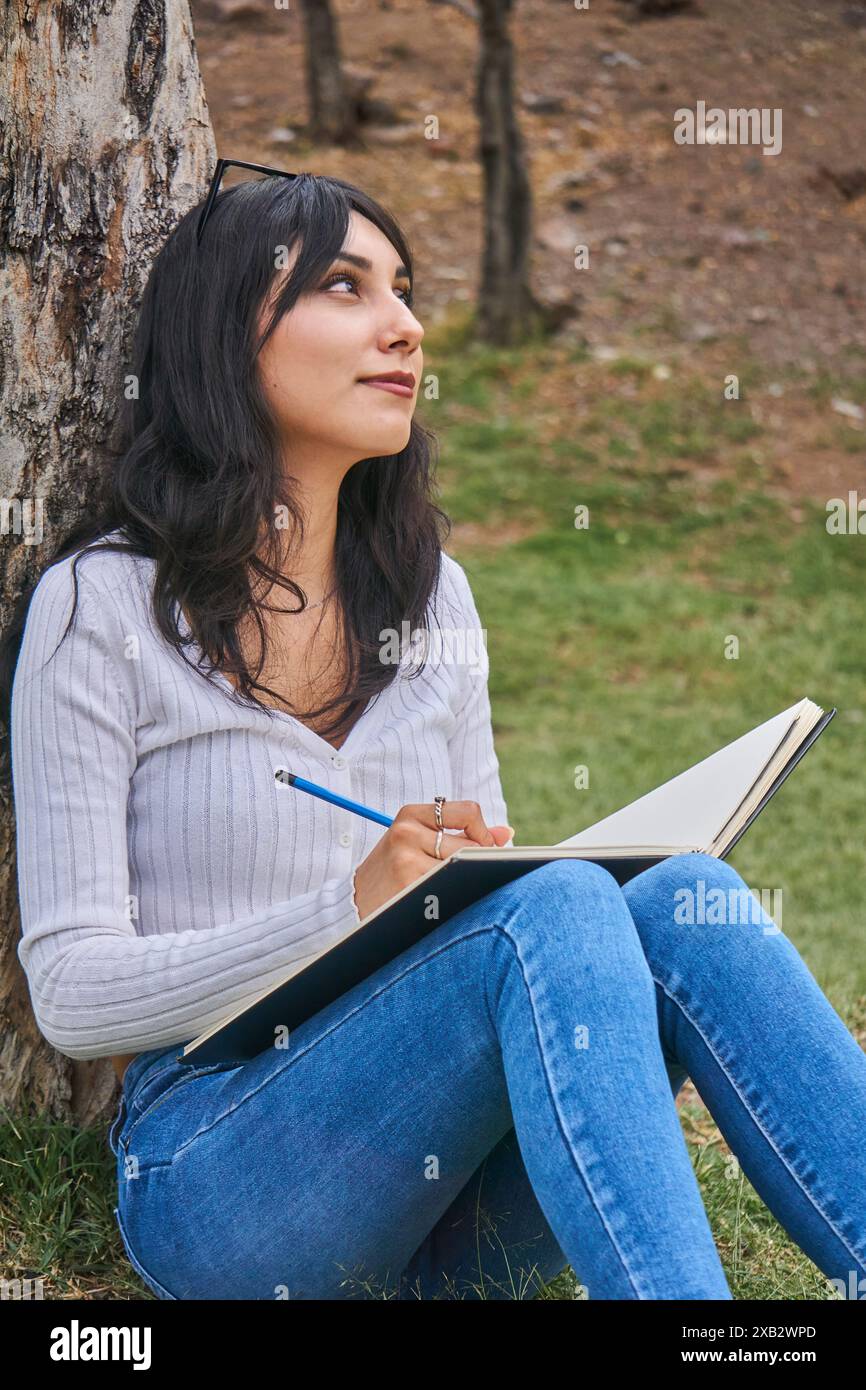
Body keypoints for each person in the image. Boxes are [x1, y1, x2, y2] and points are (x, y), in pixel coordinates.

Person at [2, 170, 865, 1301]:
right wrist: (354, 907)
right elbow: (70, 994)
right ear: (226, 332)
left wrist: (474, 881)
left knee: (673, 896)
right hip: (221, 1177)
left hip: (443, 1219)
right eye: (343, 288)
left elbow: (501, 898)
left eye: (402, 290)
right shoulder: (100, 607)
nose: (404, 325)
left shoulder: (432, 598)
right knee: (549, 909)